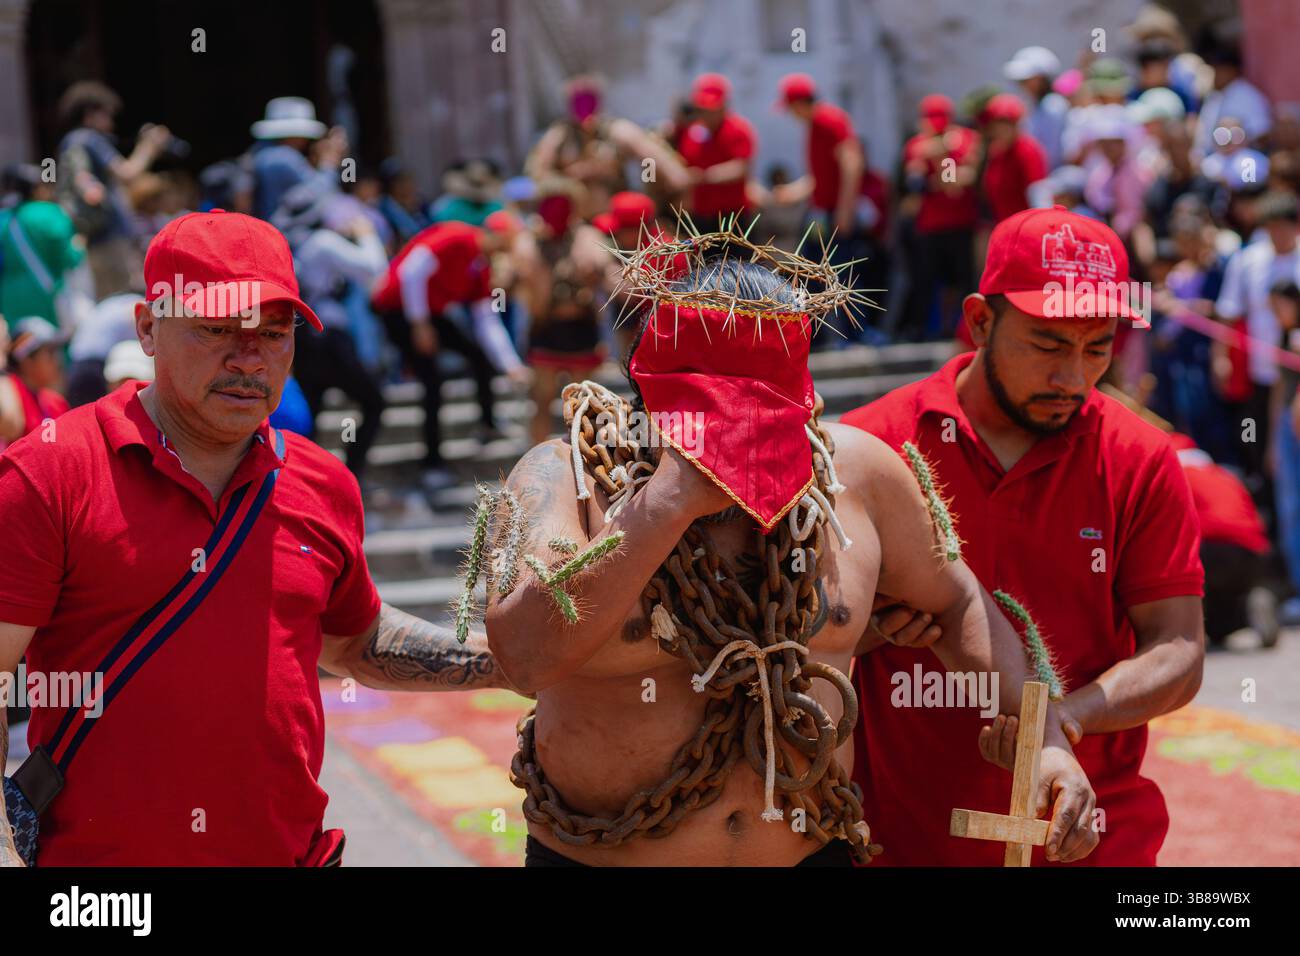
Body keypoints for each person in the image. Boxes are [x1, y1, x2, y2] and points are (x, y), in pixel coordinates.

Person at [487, 223, 1098, 867]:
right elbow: (525, 656)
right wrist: (667, 502)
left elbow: (958, 600)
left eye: (767, 416)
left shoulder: (857, 472)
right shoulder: (564, 478)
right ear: (652, 393)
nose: (743, 438)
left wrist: (1046, 740)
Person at [0, 210, 509, 867]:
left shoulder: (323, 482)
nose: (249, 358)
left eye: (273, 332)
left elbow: (354, 640)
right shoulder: (51, 471)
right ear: (148, 328)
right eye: (217, 328)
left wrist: (513, 659)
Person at [843, 207, 1206, 865]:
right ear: (980, 320)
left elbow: (1178, 647)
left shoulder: (1142, 458)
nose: (1074, 377)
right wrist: (871, 629)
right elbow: (802, 639)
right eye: (1048, 344)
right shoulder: (873, 444)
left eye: (1099, 347)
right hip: (902, 840)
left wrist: (1067, 718)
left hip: (1097, 841)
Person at [370, 215, 526, 494]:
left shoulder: (480, 267)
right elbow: (412, 272)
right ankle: (432, 464)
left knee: (479, 357)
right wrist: (420, 324)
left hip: (431, 313)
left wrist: (511, 365)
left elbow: (485, 320)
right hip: (399, 309)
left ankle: (488, 424)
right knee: (432, 382)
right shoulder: (457, 237)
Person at [274, 183, 389, 481]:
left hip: (304, 339)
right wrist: (367, 234)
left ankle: (303, 482)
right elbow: (373, 267)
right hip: (328, 337)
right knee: (373, 401)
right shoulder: (322, 241)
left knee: (312, 412)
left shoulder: (288, 242)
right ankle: (350, 477)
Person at [1215, 191, 1300, 493]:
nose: (1277, 233)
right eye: (1271, 226)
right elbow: (1228, 312)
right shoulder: (1248, 260)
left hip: (1294, 379)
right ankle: (1261, 503)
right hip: (1257, 374)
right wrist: (1221, 357)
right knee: (1252, 438)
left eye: (1284, 226)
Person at [54, 81, 172, 298]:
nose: (111, 123)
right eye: (107, 115)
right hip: (112, 237)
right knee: (126, 299)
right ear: (90, 114)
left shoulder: (69, 143)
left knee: (107, 300)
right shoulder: (90, 139)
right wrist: (150, 146)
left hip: (93, 235)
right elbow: (127, 173)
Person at [526, 75, 689, 219]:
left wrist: (649, 191)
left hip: (615, 219)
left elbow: (652, 160)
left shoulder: (617, 131)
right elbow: (538, 175)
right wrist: (570, 181)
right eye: (578, 103)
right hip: (575, 221)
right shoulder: (559, 137)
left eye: (588, 102)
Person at [900, 94, 981, 340]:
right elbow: (915, 181)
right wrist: (938, 157)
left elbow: (966, 176)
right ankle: (931, 328)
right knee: (931, 280)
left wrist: (947, 167)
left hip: (963, 221)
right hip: (931, 224)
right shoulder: (917, 145)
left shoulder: (966, 139)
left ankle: (965, 329)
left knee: (964, 279)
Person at [0, 164, 85, 332]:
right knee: (54, 349)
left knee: (19, 348)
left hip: (8, 298)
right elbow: (70, 258)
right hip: (46, 294)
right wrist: (80, 246)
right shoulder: (50, 213)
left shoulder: (3, 219)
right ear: (36, 188)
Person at [676, 74, 757, 227]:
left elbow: (741, 168)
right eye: (703, 109)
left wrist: (707, 176)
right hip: (701, 217)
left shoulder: (738, 130)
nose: (707, 115)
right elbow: (687, 166)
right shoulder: (693, 132)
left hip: (733, 218)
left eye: (712, 109)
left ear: (724, 106)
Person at [249, 97, 348, 221]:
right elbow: (318, 194)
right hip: (285, 232)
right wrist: (328, 163)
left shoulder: (263, 154)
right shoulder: (282, 157)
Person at [0, 317, 69, 451]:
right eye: (50, 352)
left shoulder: (55, 402)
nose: (58, 360)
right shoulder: (9, 396)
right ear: (27, 361)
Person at [980, 94, 1049, 224]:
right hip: (1004, 225)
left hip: (1026, 227)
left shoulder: (1028, 150)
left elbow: (1039, 195)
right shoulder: (996, 152)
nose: (999, 129)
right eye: (996, 124)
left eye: (1005, 123)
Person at [1003, 46, 1069, 169]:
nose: (1021, 84)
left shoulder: (1053, 105)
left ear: (1042, 79)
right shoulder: (1034, 105)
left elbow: (1051, 153)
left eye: (1026, 79)